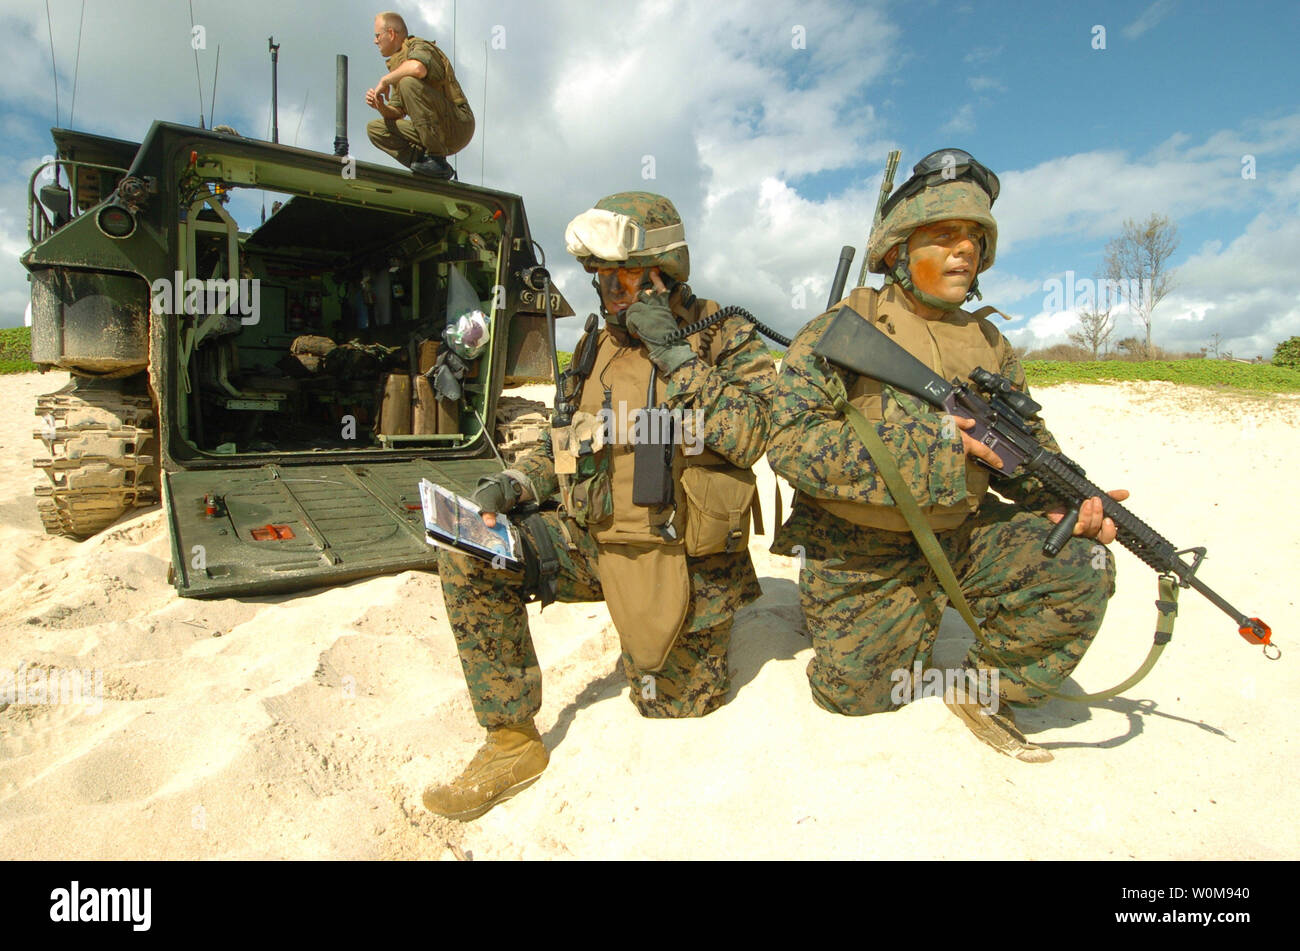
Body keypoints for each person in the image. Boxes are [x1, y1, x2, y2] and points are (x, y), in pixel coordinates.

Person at [422, 192, 777, 820]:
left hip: (685, 559)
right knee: (472, 554)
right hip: (595, 543)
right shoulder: (593, 344)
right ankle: (510, 741)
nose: (609, 289)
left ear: (666, 270)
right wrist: (521, 483)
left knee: (673, 705)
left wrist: (675, 355)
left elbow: (751, 435)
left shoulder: (723, 333)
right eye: (600, 276)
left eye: (625, 274)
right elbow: (573, 443)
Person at [767, 149, 1127, 763]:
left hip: (960, 535)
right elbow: (790, 443)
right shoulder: (844, 328)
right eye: (942, 236)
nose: (963, 250)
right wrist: (939, 446)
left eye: (973, 239)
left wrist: (1074, 500)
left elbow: (1028, 449)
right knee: (855, 695)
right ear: (896, 251)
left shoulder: (991, 343)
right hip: (862, 547)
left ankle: (983, 688)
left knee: (1080, 561)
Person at [365, 12, 474, 179]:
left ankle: (437, 161)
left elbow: (418, 69)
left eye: (377, 35)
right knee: (376, 129)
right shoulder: (398, 65)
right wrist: (380, 106)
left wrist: (385, 81)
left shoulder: (419, 46)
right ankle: (424, 163)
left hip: (457, 125)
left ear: (392, 33)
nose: (375, 41)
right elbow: (396, 112)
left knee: (407, 82)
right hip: (432, 129)